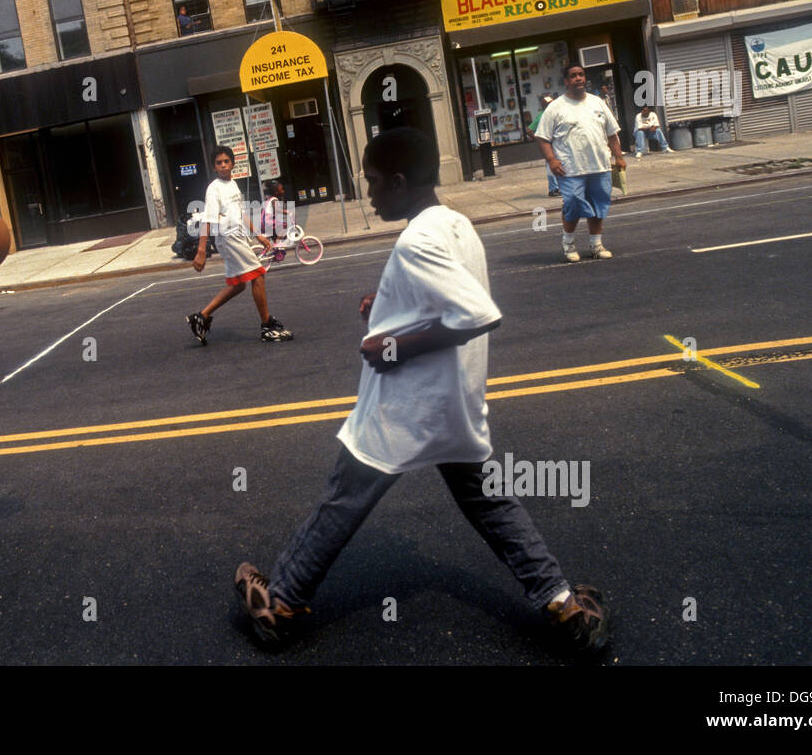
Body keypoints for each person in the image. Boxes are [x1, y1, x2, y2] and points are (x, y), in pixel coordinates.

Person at [233, 128, 611, 657]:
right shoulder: (454, 224)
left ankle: (282, 605)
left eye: (372, 182)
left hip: (401, 411)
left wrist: (393, 345)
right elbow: (444, 294)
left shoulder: (416, 241)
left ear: (400, 180)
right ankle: (562, 604)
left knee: (341, 502)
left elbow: (477, 313)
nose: (368, 195)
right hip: (453, 406)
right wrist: (385, 303)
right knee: (492, 504)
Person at [187, 146, 292, 345]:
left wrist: (257, 234)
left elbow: (241, 214)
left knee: (239, 285)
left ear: (233, 163)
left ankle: (201, 316)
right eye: (219, 163)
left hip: (238, 236)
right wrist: (201, 251)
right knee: (258, 274)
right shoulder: (214, 188)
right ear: (214, 167)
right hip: (228, 238)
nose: (223, 165)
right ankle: (267, 326)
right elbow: (208, 219)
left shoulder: (233, 185)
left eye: (227, 161)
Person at [535, 65, 626, 262]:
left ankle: (596, 245)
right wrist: (551, 160)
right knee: (573, 204)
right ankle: (568, 244)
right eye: (573, 76)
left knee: (598, 206)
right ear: (566, 81)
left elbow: (612, 133)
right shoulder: (555, 107)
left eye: (581, 75)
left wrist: (618, 156)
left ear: (585, 79)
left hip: (599, 166)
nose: (578, 78)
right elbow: (542, 138)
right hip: (570, 169)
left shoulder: (598, 103)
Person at [527, 106, 558, 197]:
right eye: (549, 104)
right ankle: (553, 189)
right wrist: (539, 140)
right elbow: (529, 130)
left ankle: (557, 188)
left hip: (555, 144)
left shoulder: (553, 114)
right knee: (550, 166)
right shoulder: (542, 116)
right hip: (549, 145)